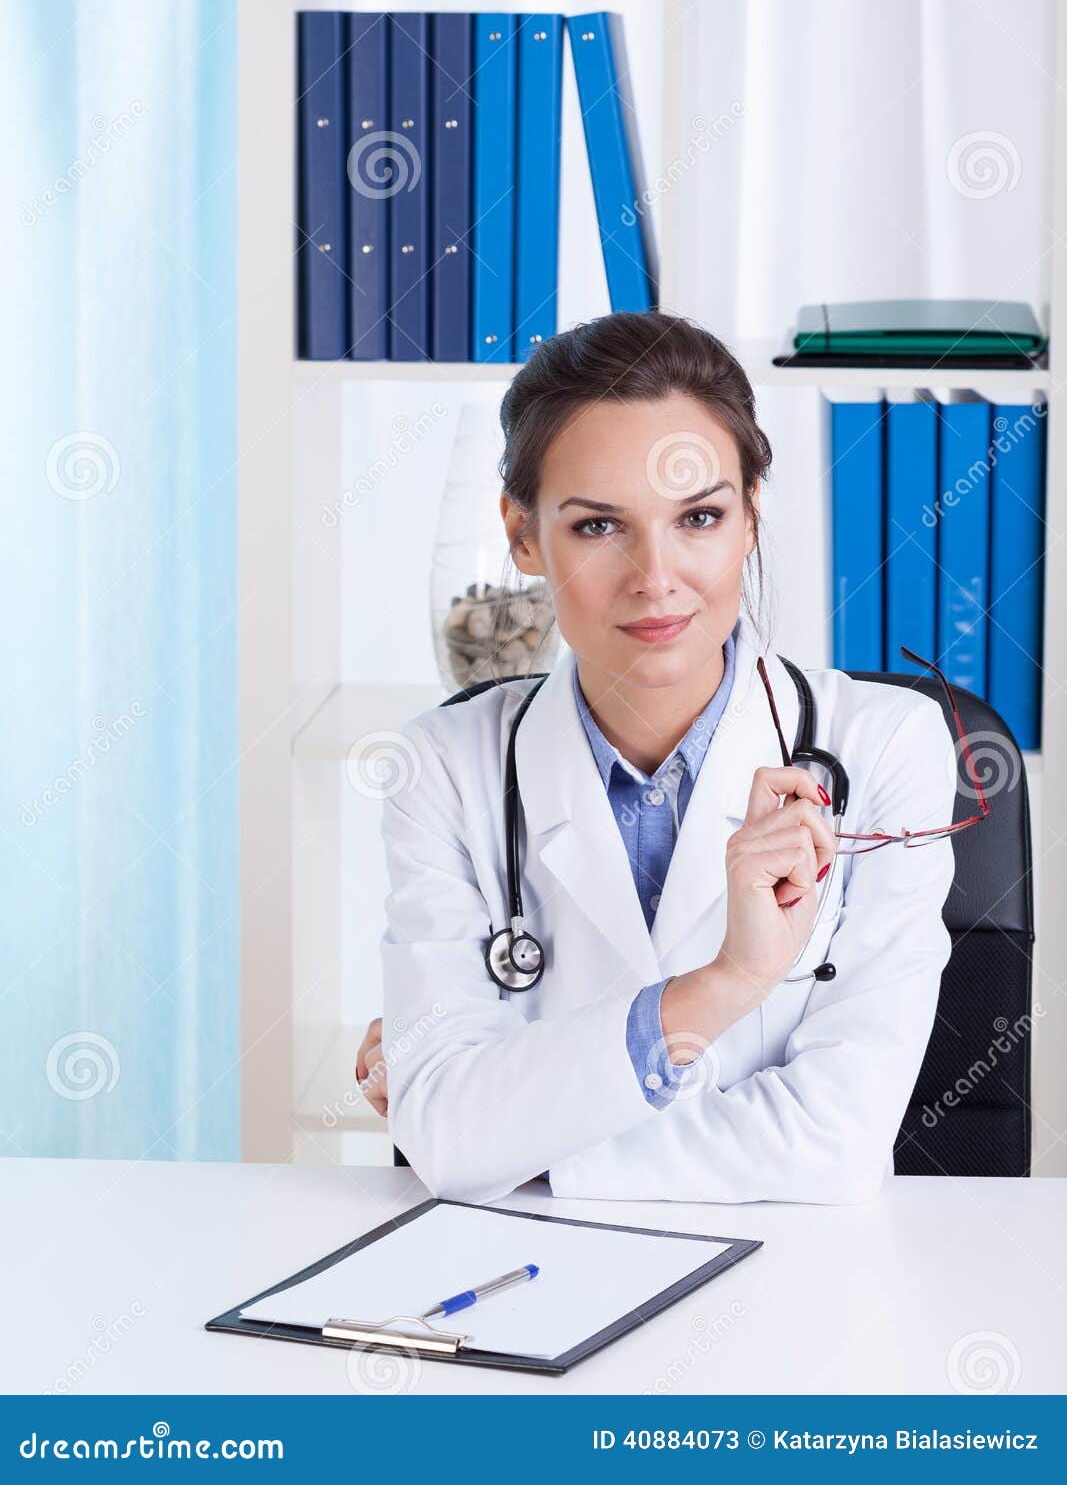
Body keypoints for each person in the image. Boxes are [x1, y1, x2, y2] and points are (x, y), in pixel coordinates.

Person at [354, 311, 958, 1206]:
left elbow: (832, 1141)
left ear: (750, 515)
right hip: (530, 1281)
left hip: (799, 1290)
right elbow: (447, 1132)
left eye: (699, 517)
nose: (655, 577)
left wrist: (509, 1145)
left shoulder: (884, 745)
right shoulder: (443, 766)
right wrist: (728, 984)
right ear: (522, 535)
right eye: (599, 526)